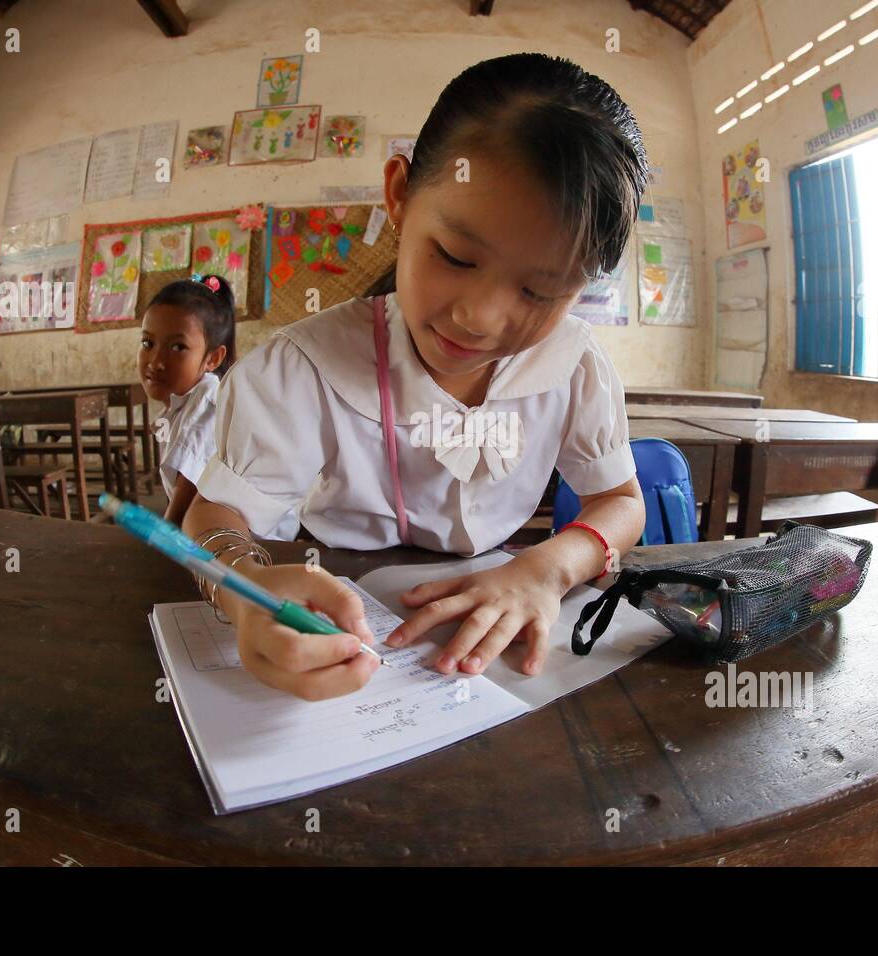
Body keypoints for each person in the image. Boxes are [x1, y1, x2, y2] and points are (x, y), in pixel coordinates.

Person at [184, 53, 649, 701]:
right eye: (456, 256)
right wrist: (241, 589)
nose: (479, 317)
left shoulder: (573, 363)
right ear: (400, 194)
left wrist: (546, 568)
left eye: (541, 291)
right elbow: (216, 513)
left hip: (498, 600)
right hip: (337, 588)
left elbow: (621, 502)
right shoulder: (306, 364)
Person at [139, 273, 235, 524]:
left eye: (177, 347)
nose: (156, 362)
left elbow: (177, 518)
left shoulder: (208, 407)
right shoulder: (182, 405)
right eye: (148, 342)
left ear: (212, 359)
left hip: (250, 548)